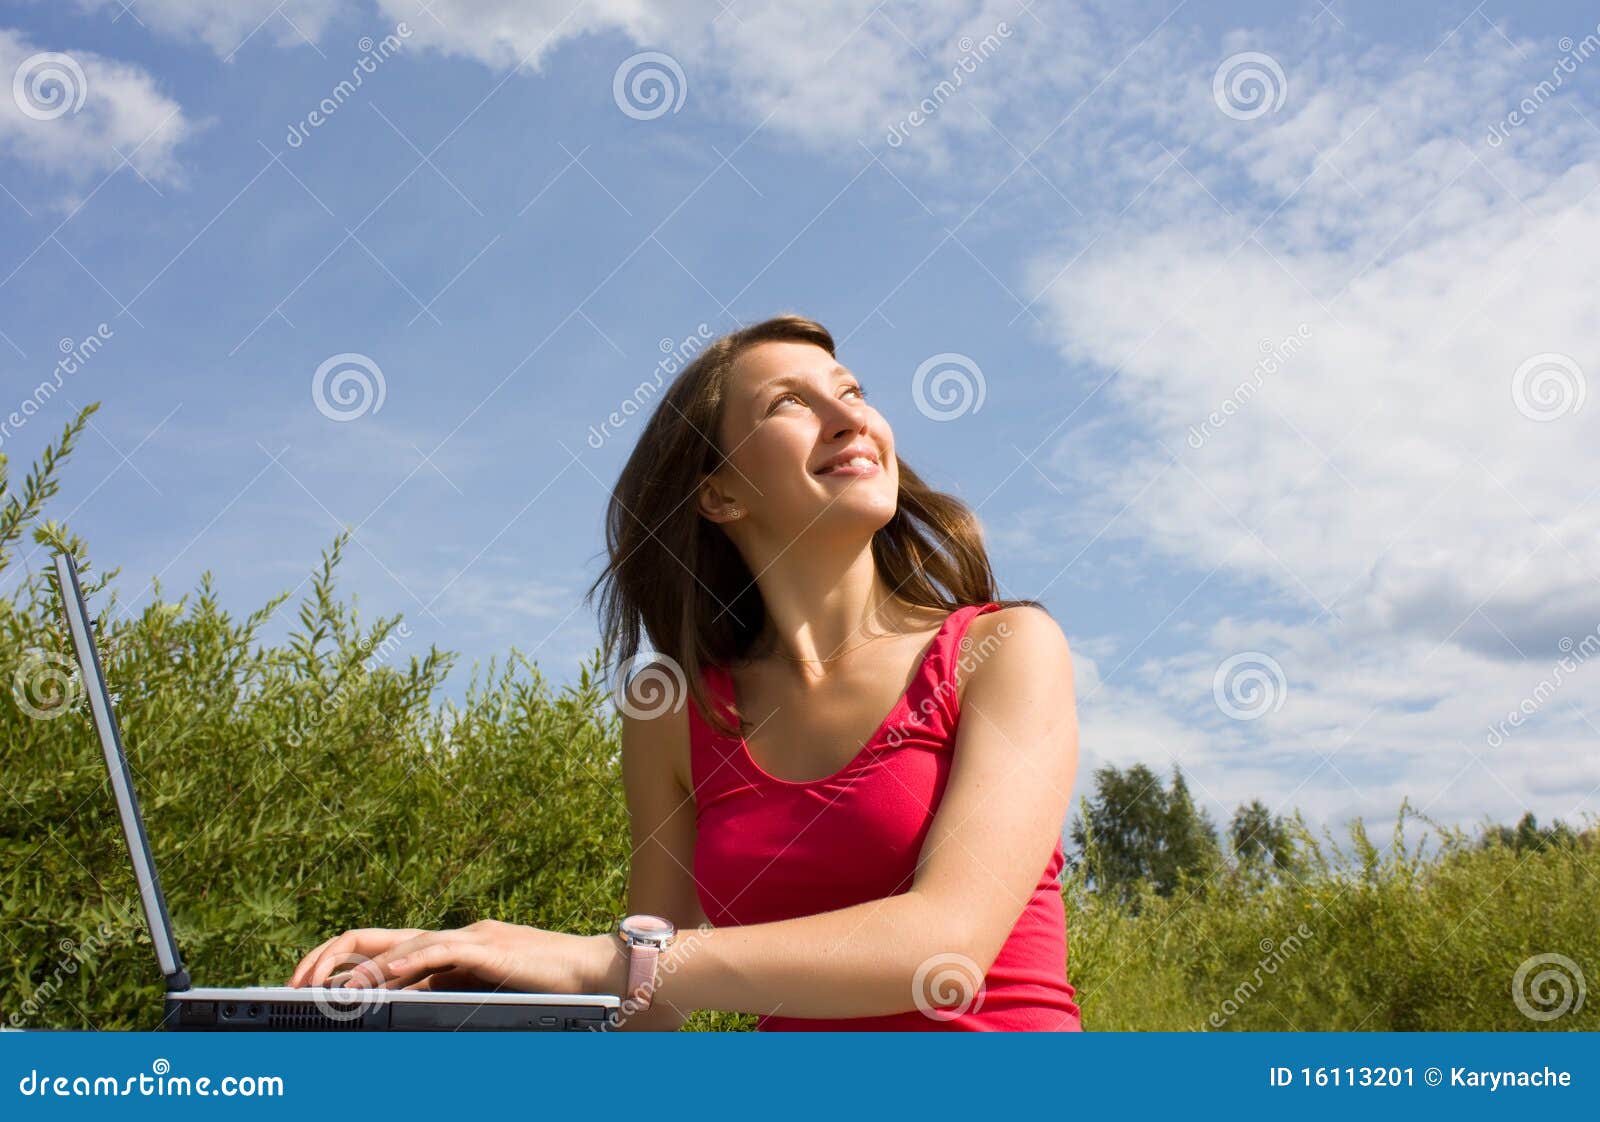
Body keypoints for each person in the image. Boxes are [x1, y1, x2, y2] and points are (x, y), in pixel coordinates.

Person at [287, 313, 1083, 1030]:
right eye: (790, 404)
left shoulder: (1004, 650)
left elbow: (943, 948)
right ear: (720, 495)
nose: (851, 417)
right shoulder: (671, 709)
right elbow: (649, 1011)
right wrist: (475, 1004)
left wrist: (588, 958)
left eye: (852, 391)